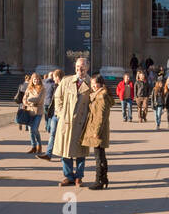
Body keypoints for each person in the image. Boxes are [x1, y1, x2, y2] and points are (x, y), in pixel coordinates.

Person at [47, 56, 108, 187]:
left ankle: (78, 177)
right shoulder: (66, 80)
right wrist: (61, 112)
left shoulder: (90, 83)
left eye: (82, 67)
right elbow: (58, 97)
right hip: (66, 121)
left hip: (81, 122)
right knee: (65, 151)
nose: (80, 70)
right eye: (77, 68)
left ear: (87, 68)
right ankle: (68, 176)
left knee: (80, 153)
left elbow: (96, 98)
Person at [17, 73, 47, 158]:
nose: (36, 81)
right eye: (34, 80)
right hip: (30, 111)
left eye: (37, 79)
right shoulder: (29, 88)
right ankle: (33, 146)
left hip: (38, 111)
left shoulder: (42, 89)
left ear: (40, 80)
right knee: (30, 130)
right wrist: (27, 102)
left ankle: (39, 146)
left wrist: (29, 100)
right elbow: (24, 99)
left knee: (34, 129)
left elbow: (39, 100)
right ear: (32, 80)